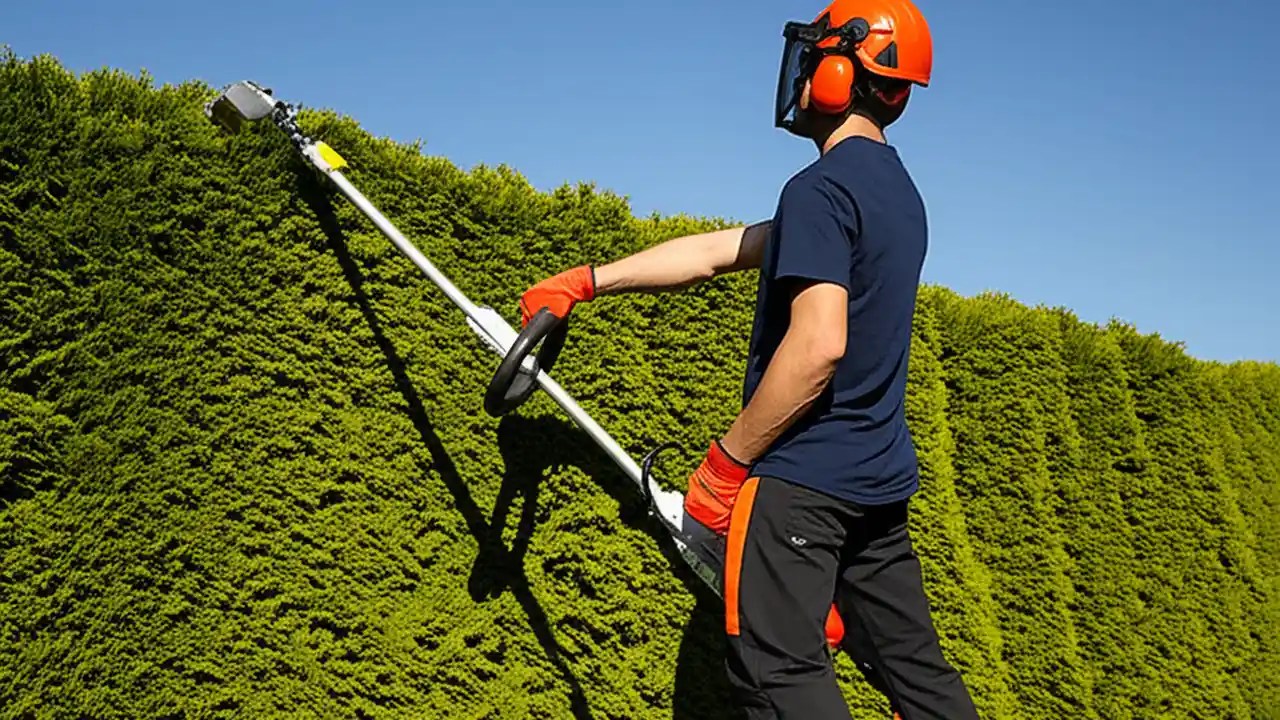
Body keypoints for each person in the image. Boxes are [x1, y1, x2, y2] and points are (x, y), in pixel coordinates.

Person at [516, 1, 980, 718]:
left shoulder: (820, 189)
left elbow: (820, 344)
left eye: (814, 57)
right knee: (922, 682)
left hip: (800, 485)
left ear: (838, 73)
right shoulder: (898, 195)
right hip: (877, 489)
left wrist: (727, 465)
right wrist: (588, 280)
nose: (798, 76)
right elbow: (716, 253)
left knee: (778, 678)